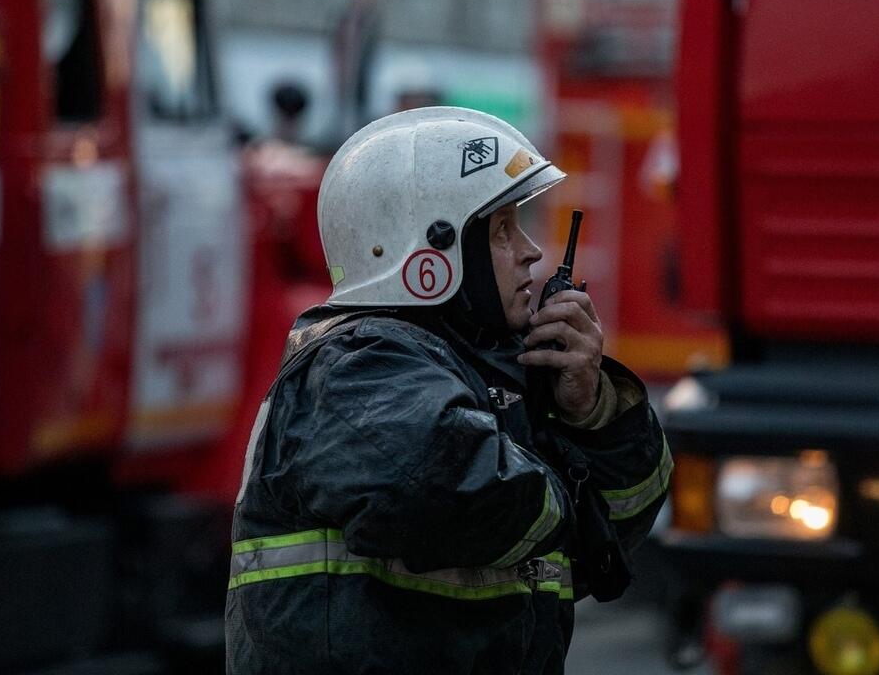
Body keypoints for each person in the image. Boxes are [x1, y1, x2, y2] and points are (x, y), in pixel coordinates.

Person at [225, 107, 671, 674]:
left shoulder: (482, 371)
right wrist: (566, 480)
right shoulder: (359, 367)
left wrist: (593, 411)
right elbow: (456, 496)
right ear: (430, 249)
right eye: (503, 229)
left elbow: (605, 551)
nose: (532, 251)